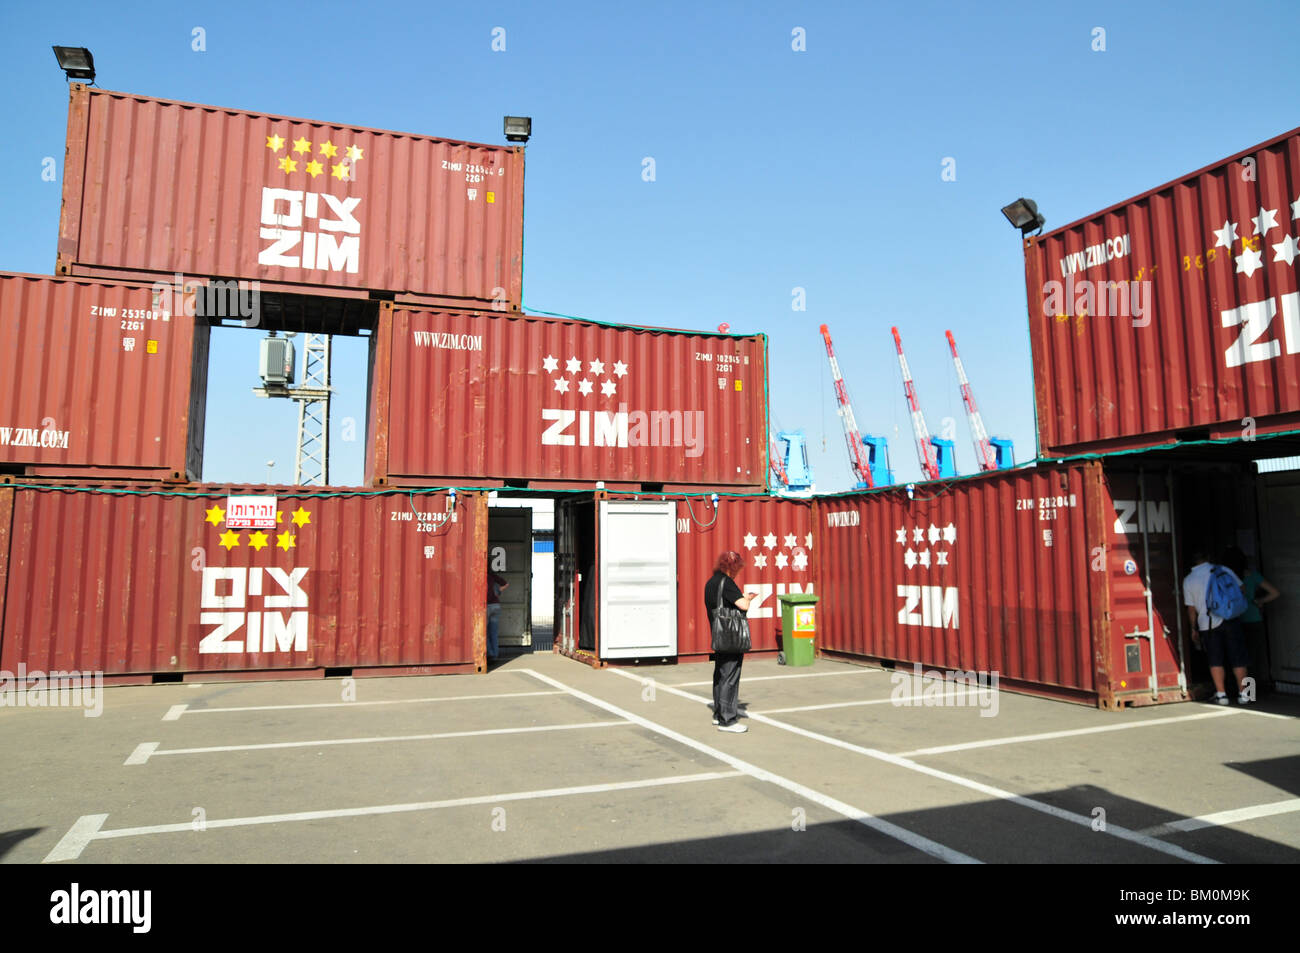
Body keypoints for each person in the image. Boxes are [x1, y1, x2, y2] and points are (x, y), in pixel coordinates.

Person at [1182, 547, 1248, 705]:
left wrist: (1193, 628)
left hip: (1207, 624)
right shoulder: (1223, 569)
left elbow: (1191, 609)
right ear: (1208, 556)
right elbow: (1242, 589)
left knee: (1215, 659)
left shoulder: (1189, 580)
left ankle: (1221, 694)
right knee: (1239, 658)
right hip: (1231, 618)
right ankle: (1245, 694)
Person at [705, 551, 758, 733]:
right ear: (733, 567)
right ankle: (728, 720)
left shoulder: (711, 583)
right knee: (730, 675)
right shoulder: (727, 583)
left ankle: (719, 715)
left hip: (718, 634)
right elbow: (742, 605)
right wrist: (748, 598)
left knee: (720, 674)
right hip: (731, 637)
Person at [1222, 547, 1280, 694]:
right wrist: (1259, 600)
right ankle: (1251, 692)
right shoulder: (1252, 575)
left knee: (1235, 657)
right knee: (1252, 659)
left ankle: (1235, 689)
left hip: (1233, 620)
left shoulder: (1225, 578)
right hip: (1254, 620)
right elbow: (1275, 593)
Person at [486, 564, 508, 663]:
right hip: (496, 606)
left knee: (484, 632)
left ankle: (490, 653)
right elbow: (506, 584)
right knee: (493, 633)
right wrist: (497, 592)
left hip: (486, 606)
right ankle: (495, 655)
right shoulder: (492, 575)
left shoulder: (480, 575)